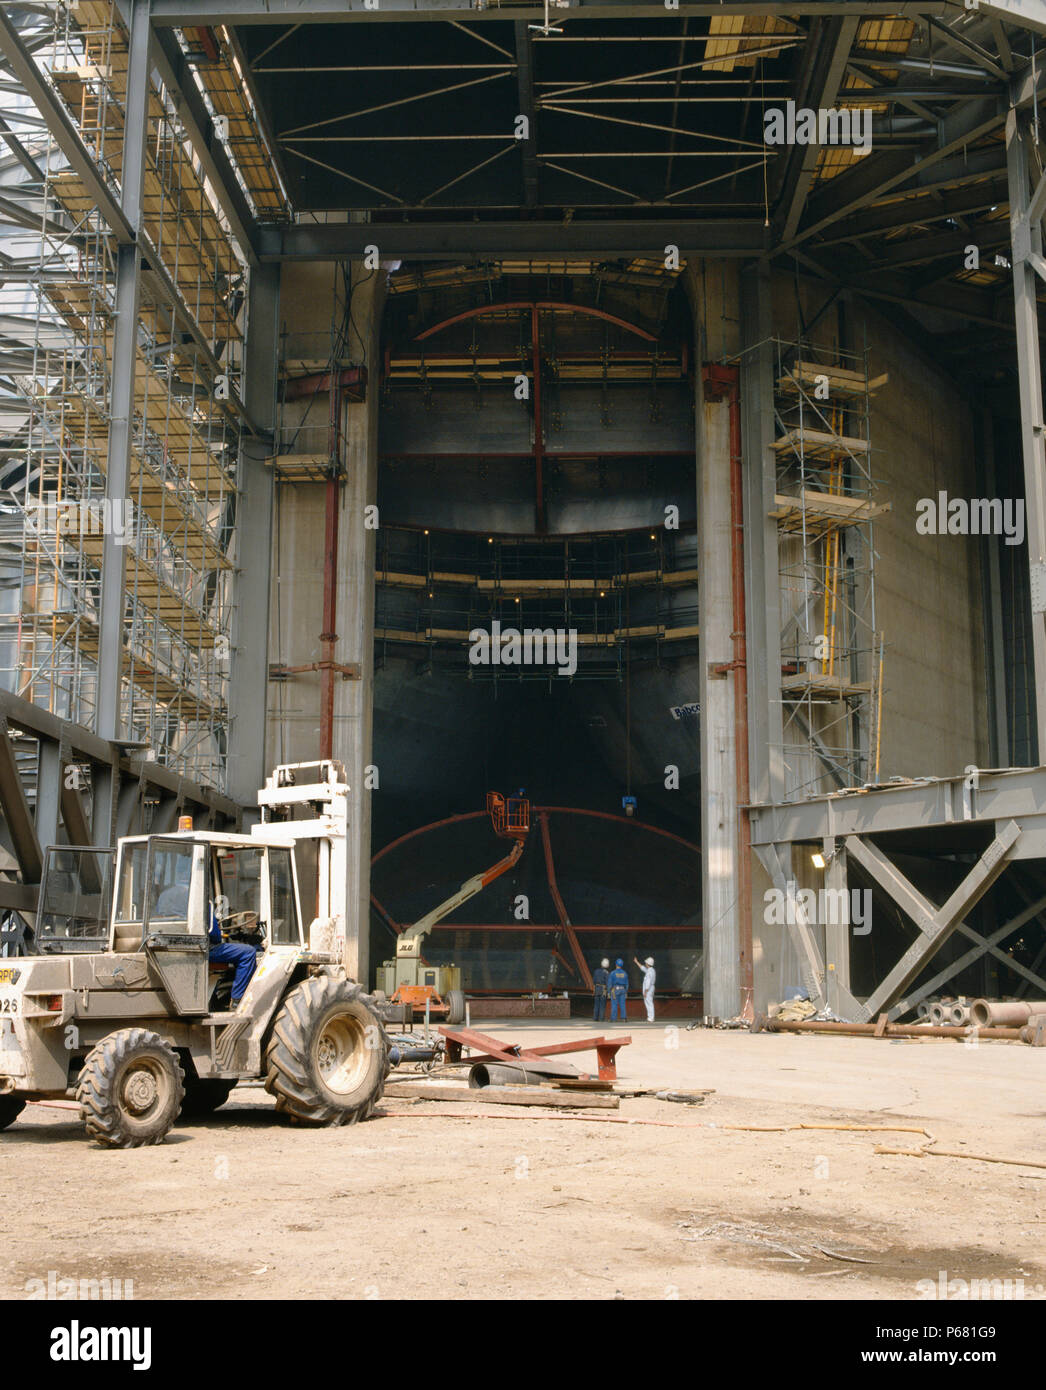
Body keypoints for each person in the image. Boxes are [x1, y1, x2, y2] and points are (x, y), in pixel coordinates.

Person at [208, 902, 258, 1009]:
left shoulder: (166, 896)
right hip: (207, 948)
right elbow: (215, 934)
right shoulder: (200, 898)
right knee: (248, 952)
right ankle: (237, 1000)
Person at [634, 955, 656, 1023]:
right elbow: (642, 968)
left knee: (649, 1002)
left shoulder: (649, 971)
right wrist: (636, 962)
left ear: (648, 964)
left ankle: (651, 1017)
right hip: (651, 988)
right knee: (649, 1002)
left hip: (648, 989)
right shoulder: (651, 970)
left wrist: (646, 991)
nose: (645, 963)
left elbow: (648, 982)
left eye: (646, 963)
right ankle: (650, 1017)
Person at [608, 957, 629, 1023]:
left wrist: (609, 991)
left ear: (616, 964)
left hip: (615, 990)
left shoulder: (613, 973)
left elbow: (610, 983)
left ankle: (613, 1019)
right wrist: (626, 991)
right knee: (622, 1004)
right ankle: (624, 1018)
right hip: (623, 990)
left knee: (614, 1004)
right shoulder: (625, 973)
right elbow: (627, 984)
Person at [592, 957, 610, 1023]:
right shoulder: (606, 972)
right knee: (602, 1004)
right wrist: (608, 992)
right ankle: (601, 1018)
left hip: (597, 988)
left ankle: (595, 1018)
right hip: (603, 990)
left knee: (596, 1004)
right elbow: (608, 983)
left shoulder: (596, 971)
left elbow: (594, 981)